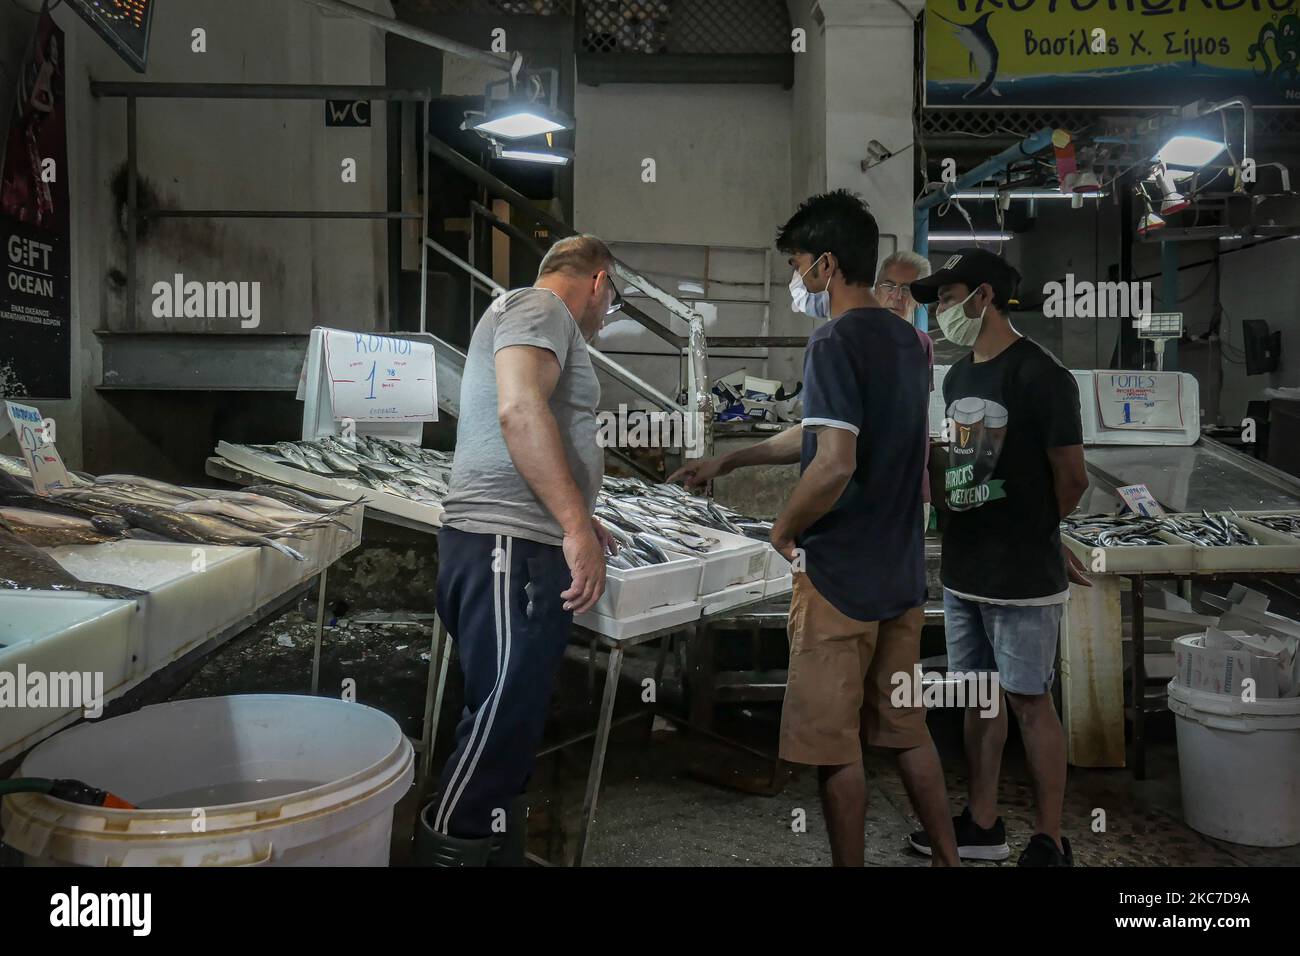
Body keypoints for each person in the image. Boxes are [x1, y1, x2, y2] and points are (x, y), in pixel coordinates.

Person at [671, 191, 959, 867]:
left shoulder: (832, 340)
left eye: (799, 265)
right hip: (902, 576)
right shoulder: (910, 343)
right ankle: (951, 860)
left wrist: (782, 527)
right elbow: (821, 431)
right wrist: (731, 458)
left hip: (839, 581)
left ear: (827, 264)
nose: (797, 280)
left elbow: (833, 464)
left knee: (834, 747)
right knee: (907, 731)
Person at [419, 234, 623, 867]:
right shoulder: (543, 311)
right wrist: (573, 524)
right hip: (506, 548)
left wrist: (583, 517)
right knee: (500, 723)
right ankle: (451, 852)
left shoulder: (533, 315)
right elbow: (518, 409)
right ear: (598, 280)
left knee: (502, 717)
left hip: (507, 547)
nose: (605, 310)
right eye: (610, 297)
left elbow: (533, 417)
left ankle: (491, 848)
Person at [906, 248, 1090, 867]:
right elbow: (965, 470)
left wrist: (1040, 533)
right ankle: (982, 822)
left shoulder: (1042, 376)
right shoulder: (958, 378)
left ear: (984, 297)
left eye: (949, 297)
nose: (940, 310)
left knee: (1029, 702)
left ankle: (1050, 838)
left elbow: (1072, 479)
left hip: (1021, 578)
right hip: (964, 570)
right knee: (978, 697)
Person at [874, 250, 936, 530]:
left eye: (908, 289)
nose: (896, 296)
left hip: (912, 490)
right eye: (889, 285)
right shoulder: (851, 339)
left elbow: (916, 415)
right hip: (864, 488)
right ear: (876, 288)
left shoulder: (922, 345)